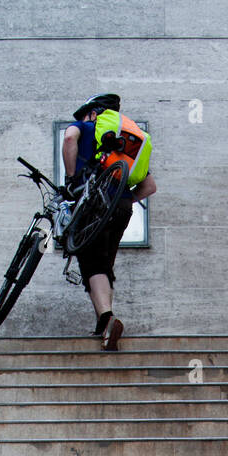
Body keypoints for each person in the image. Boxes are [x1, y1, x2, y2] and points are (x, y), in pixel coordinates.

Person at [62, 93, 157, 351]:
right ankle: (105, 326)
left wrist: (71, 179)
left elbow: (69, 137)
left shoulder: (84, 127)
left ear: (94, 113)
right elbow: (150, 186)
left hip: (94, 203)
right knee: (104, 263)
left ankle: (106, 317)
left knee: (93, 262)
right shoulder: (124, 147)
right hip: (122, 207)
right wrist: (124, 199)